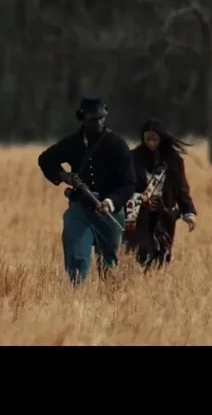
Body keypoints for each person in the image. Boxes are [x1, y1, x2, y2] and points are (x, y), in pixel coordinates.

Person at [38, 94, 136, 285]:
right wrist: (64, 176)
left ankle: (110, 300)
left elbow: (129, 183)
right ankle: (76, 296)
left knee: (109, 264)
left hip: (110, 211)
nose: (98, 123)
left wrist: (110, 202)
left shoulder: (117, 144)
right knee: (77, 257)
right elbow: (45, 159)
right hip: (80, 207)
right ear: (82, 118)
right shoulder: (72, 143)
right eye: (93, 119)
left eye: (101, 118)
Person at [122, 118, 198, 270]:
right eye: (148, 139)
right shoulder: (132, 158)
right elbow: (124, 186)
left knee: (162, 256)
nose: (151, 143)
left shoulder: (174, 161)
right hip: (137, 214)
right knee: (140, 253)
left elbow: (181, 189)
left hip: (164, 214)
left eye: (155, 139)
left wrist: (188, 212)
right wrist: (141, 200)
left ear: (161, 139)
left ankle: (155, 282)